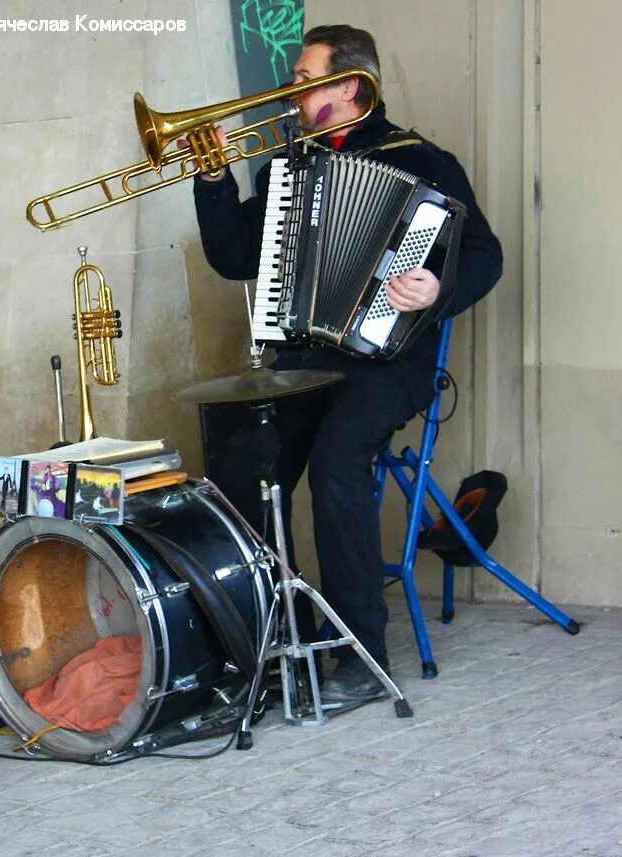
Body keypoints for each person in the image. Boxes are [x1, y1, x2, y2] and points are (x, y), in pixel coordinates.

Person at [192, 25, 503, 703]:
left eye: (304, 80)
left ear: (350, 87)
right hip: (303, 357)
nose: (292, 93)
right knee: (240, 469)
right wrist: (213, 180)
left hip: (388, 362)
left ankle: (360, 653)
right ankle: (286, 639)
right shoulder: (285, 166)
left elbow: (484, 253)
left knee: (336, 467)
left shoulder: (423, 160)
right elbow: (235, 257)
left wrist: (436, 289)